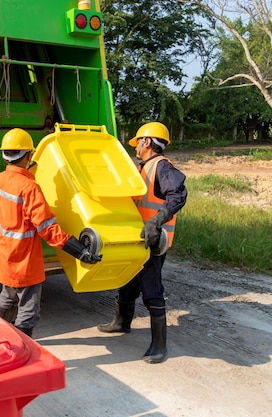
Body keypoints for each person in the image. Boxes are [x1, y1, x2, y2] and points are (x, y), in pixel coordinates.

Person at [0, 128, 102, 338]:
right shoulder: (29, 188)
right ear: (28, 155)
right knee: (28, 310)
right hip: (24, 259)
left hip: (4, 254)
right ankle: (22, 347)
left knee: (7, 297)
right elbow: (48, 229)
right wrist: (80, 252)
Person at [97, 122, 187, 364]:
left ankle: (159, 345)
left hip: (153, 241)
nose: (136, 146)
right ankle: (122, 322)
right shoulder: (142, 168)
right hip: (136, 239)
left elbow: (178, 195)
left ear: (147, 142)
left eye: (137, 142)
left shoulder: (161, 167)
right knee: (127, 281)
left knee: (151, 289)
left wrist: (157, 221)